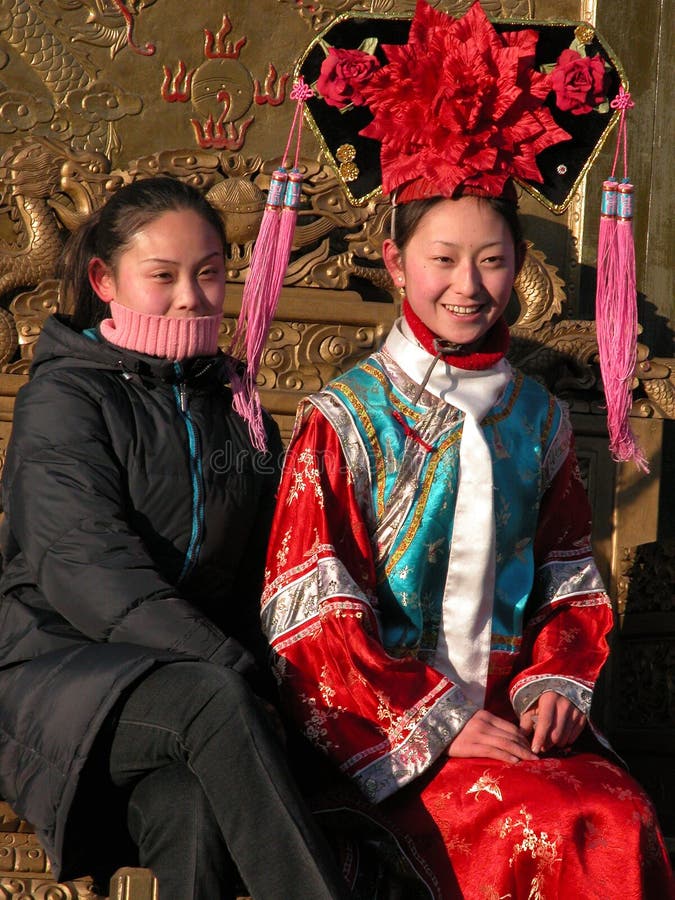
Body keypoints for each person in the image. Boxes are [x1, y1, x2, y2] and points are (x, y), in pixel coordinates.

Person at [260, 3, 674, 897]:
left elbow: (568, 571)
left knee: (625, 814)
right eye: (441, 259)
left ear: (517, 263)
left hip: (517, 721)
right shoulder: (348, 418)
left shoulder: (536, 419)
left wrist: (553, 680)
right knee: (554, 824)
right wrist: (437, 717)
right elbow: (308, 618)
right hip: (389, 736)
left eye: (490, 261)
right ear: (394, 258)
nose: (465, 285)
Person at [0, 175, 349, 900]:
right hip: (54, 673)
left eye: (211, 273)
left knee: (191, 807)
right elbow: (88, 572)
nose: (192, 295)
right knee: (215, 702)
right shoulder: (65, 400)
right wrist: (236, 671)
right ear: (105, 279)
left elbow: (269, 574)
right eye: (163, 276)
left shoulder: (239, 411)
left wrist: (305, 675)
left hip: (186, 688)